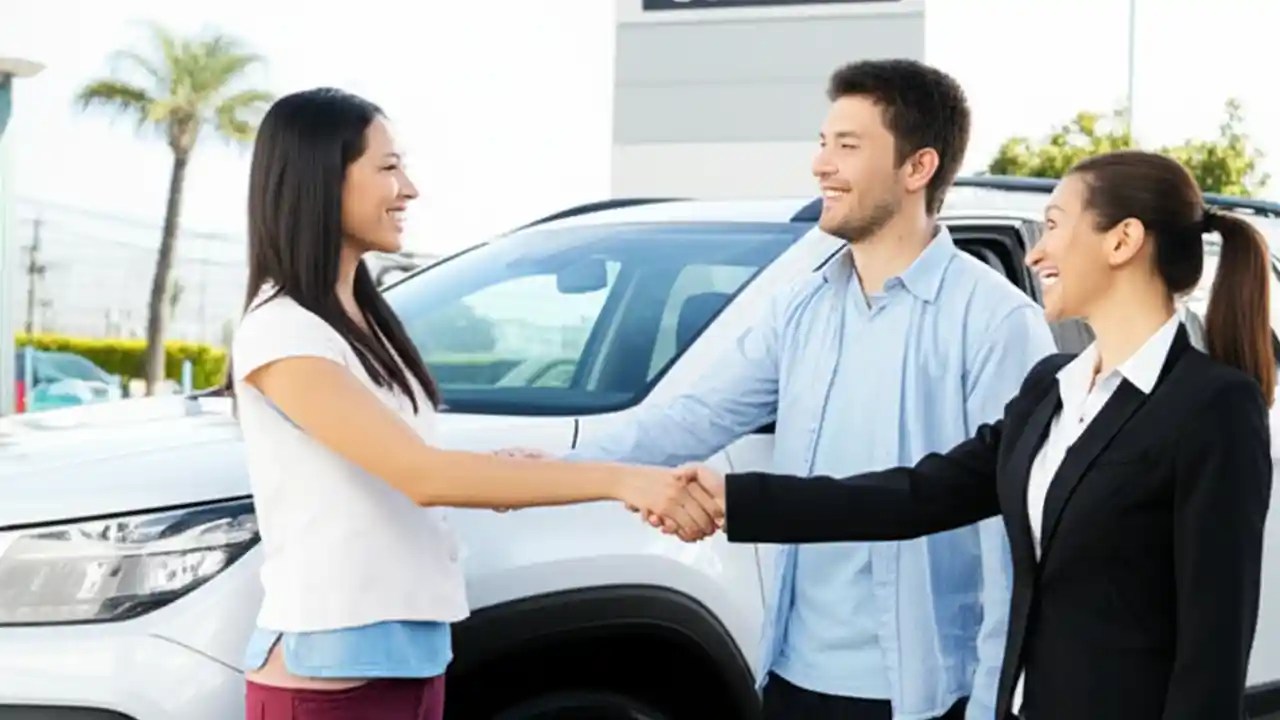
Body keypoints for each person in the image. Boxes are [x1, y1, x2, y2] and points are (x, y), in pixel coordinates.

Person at [528, 59, 1058, 720]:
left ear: (917, 168)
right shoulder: (801, 306)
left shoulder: (996, 322)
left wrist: (992, 704)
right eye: (822, 142)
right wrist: (549, 471)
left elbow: (1012, 532)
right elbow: (694, 416)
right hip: (788, 672)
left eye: (847, 145)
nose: (820, 164)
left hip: (923, 692)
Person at [682, 150, 1275, 719]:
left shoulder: (1212, 406)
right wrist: (733, 501)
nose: (1038, 252)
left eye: (1054, 225)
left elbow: (1214, 647)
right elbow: (916, 496)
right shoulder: (1051, 389)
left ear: (1122, 241)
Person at [229, 87, 720, 720]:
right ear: (321, 177)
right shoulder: (283, 330)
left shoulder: (363, 320)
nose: (409, 188)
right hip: (327, 679)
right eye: (387, 167)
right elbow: (424, 477)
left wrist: (507, 470)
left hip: (408, 657)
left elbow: (398, 464)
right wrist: (625, 480)